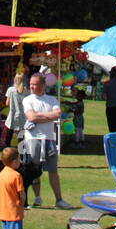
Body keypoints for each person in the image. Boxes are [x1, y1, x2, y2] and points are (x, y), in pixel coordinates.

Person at [21, 73, 72, 209]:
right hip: (33, 138)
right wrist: (48, 116)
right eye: (30, 84)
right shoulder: (27, 100)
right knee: (34, 170)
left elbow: (57, 113)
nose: (31, 86)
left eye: (34, 84)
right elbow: (31, 117)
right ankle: (37, 198)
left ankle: (59, 200)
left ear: (42, 85)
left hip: (49, 138)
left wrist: (40, 116)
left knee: (53, 170)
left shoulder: (52, 99)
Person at [5, 73, 27, 143]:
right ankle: (21, 151)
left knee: (9, 134)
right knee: (21, 136)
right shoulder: (26, 91)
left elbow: (7, 103)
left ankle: (6, 148)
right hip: (22, 115)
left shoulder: (10, 90)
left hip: (12, 115)